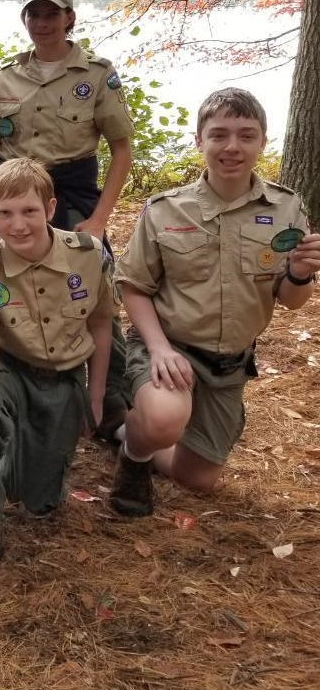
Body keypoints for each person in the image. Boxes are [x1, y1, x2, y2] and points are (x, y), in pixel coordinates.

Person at [109, 88, 317, 517]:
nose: (232, 147)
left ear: (263, 141)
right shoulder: (166, 210)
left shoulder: (286, 209)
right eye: (219, 134)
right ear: (199, 141)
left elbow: (293, 302)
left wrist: (299, 272)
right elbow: (133, 286)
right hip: (169, 346)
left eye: (246, 135)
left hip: (229, 364)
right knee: (165, 419)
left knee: (198, 478)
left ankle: (119, 426)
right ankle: (135, 456)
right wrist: (160, 348)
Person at [0, 0, 134, 438]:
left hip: (69, 187)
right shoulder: (8, 75)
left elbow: (121, 150)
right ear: (24, 20)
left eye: (50, 14)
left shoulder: (96, 74)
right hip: (10, 191)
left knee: (93, 287)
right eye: (33, 14)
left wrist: (99, 220)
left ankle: (108, 402)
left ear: (69, 19)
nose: (41, 23)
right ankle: (9, 386)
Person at [0, 158, 115, 561]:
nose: (18, 224)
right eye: (4, 213)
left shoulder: (89, 255)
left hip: (63, 376)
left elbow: (102, 323)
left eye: (29, 211)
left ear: (51, 209)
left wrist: (96, 394)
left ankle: (17, 451)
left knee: (38, 502)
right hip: (6, 370)